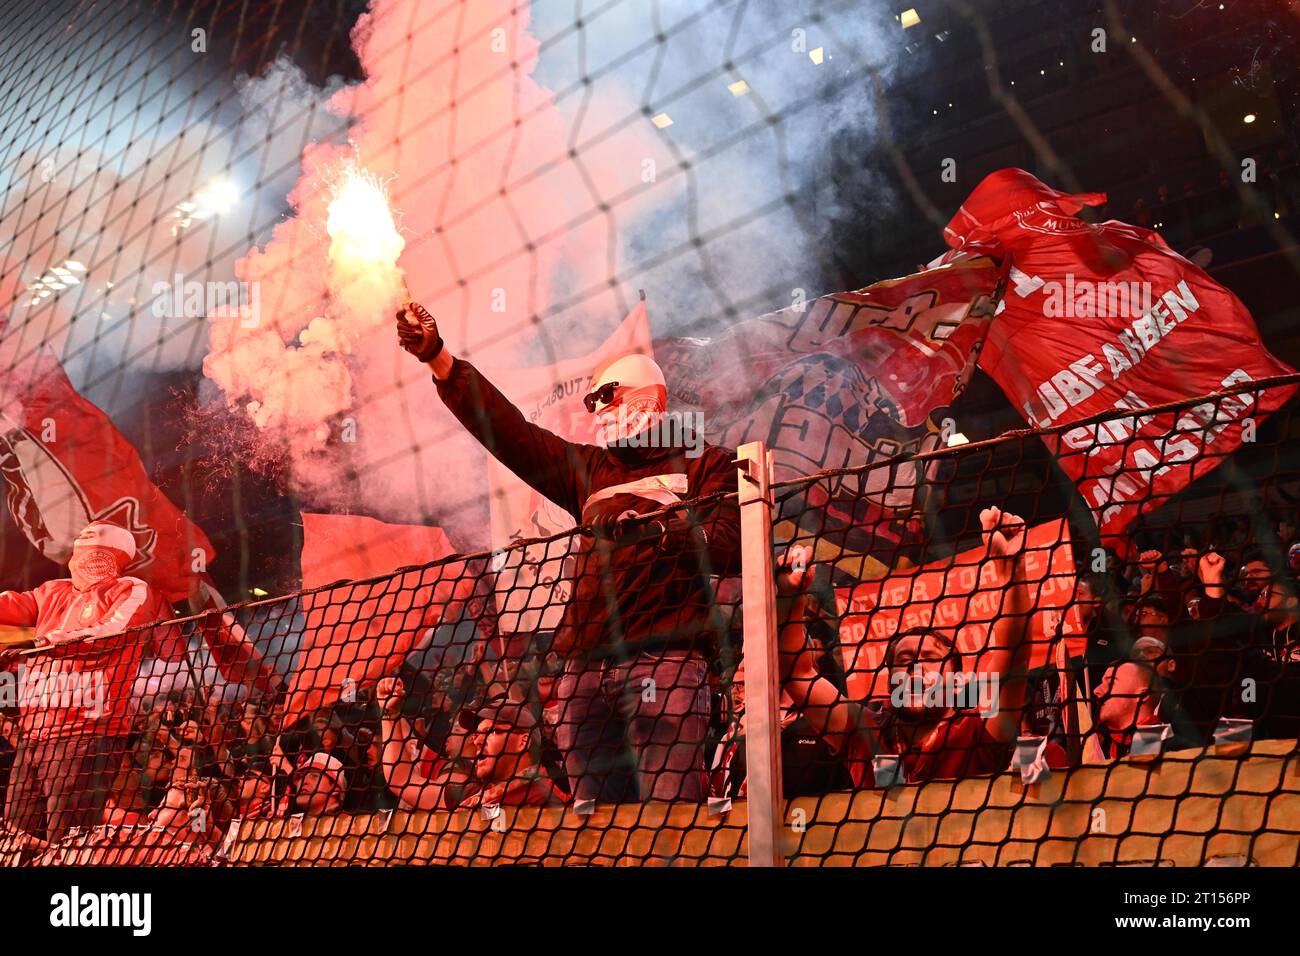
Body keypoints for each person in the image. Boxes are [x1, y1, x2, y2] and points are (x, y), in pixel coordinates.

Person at [395, 301, 741, 803]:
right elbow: (510, 433)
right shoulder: (589, 470)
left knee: (669, 828)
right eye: (592, 400)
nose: (596, 408)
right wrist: (440, 361)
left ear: (647, 397)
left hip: (665, 666)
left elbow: (731, 545)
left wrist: (663, 532)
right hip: (581, 673)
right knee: (591, 833)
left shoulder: (707, 464)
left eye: (606, 396)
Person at [771, 506, 1032, 785]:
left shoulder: (978, 727)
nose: (916, 667)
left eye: (930, 658)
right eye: (905, 660)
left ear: (957, 683)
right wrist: (790, 598)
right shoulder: (864, 729)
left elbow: (1013, 657)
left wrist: (1012, 572)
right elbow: (798, 675)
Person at [0, 522, 178, 842]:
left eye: (92, 536)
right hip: (36, 734)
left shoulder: (132, 588)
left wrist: (40, 643)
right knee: (16, 837)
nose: (81, 539)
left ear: (115, 550)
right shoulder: (50, 591)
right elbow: (7, 612)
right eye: (81, 536)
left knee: (65, 839)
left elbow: (113, 632)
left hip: (89, 731)